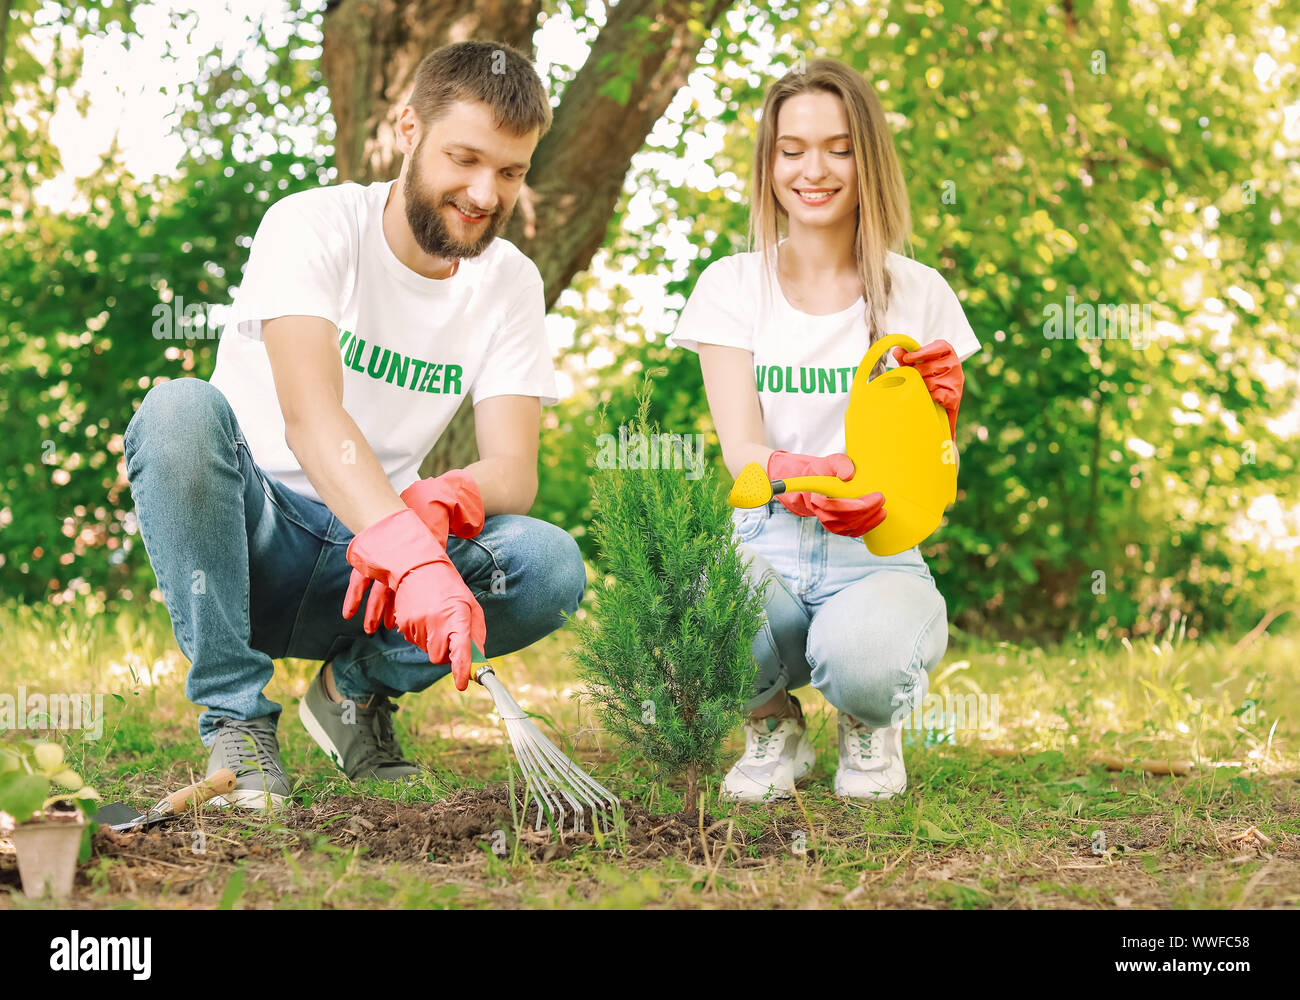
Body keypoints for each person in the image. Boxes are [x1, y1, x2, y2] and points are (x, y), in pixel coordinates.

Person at [122, 41, 585, 808]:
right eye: (464, 158)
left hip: (367, 578)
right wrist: (413, 556)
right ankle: (237, 722)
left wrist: (444, 500)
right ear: (409, 129)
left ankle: (351, 693)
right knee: (177, 410)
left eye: (509, 172)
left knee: (548, 563)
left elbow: (515, 471)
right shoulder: (312, 225)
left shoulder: (510, 283)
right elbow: (310, 416)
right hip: (256, 541)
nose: (482, 193)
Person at [669, 58, 981, 802]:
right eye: (792, 149)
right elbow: (741, 453)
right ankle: (774, 724)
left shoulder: (918, 292)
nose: (814, 169)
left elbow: (935, 468)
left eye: (838, 147)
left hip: (876, 555)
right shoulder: (731, 286)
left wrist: (943, 427)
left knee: (867, 663)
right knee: (695, 604)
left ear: (866, 158)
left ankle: (867, 720)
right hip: (763, 541)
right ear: (769, 163)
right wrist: (807, 476)